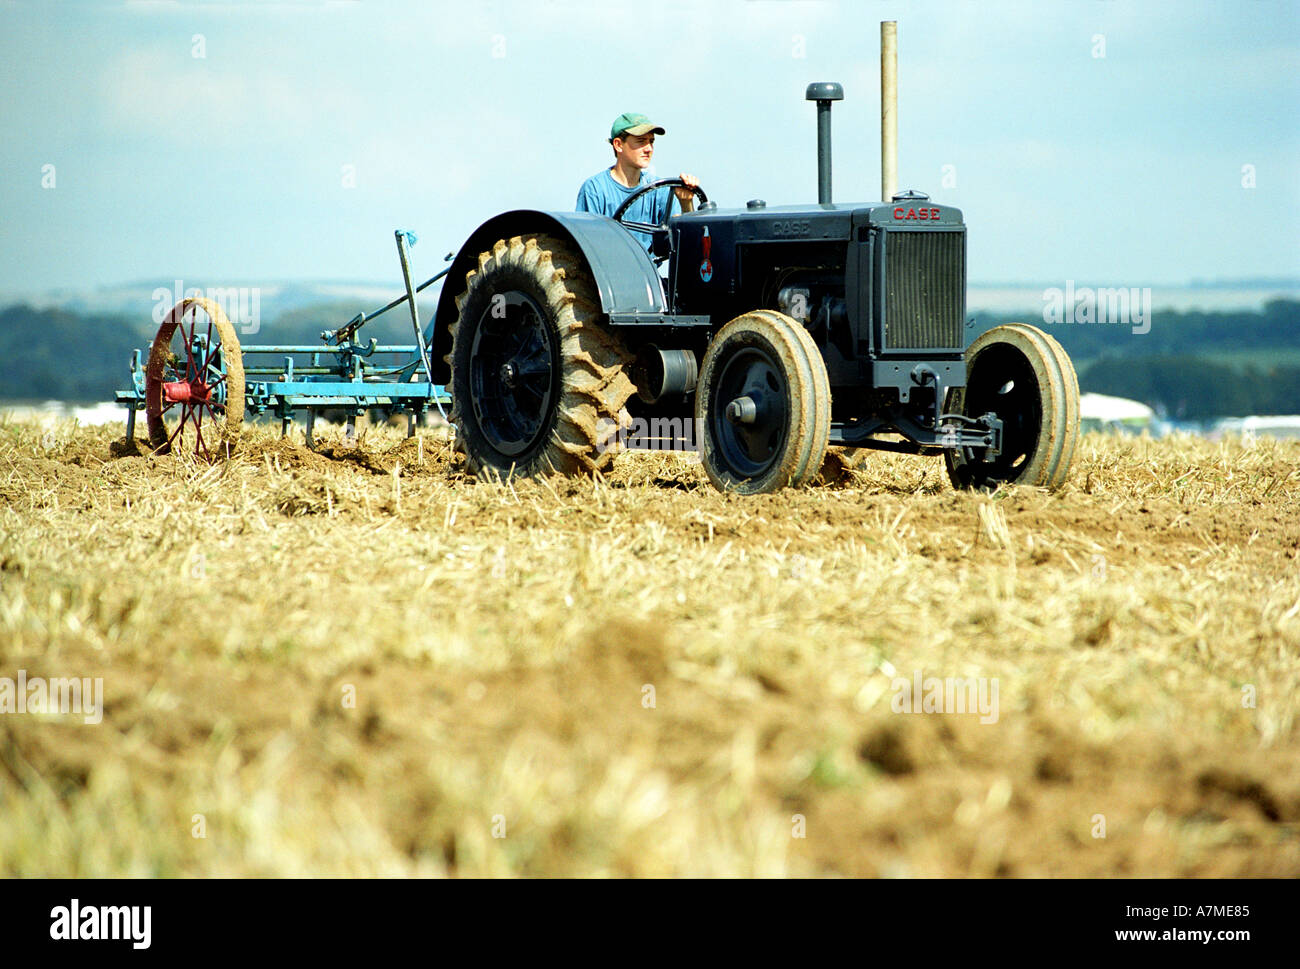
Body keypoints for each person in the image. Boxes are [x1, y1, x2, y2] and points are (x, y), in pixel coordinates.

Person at [575, 112, 699, 251]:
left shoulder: (660, 190)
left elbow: (683, 242)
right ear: (618, 145)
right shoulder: (595, 189)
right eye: (641, 141)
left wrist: (686, 202)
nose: (649, 149)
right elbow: (588, 246)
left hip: (649, 271)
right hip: (609, 269)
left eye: (651, 142)